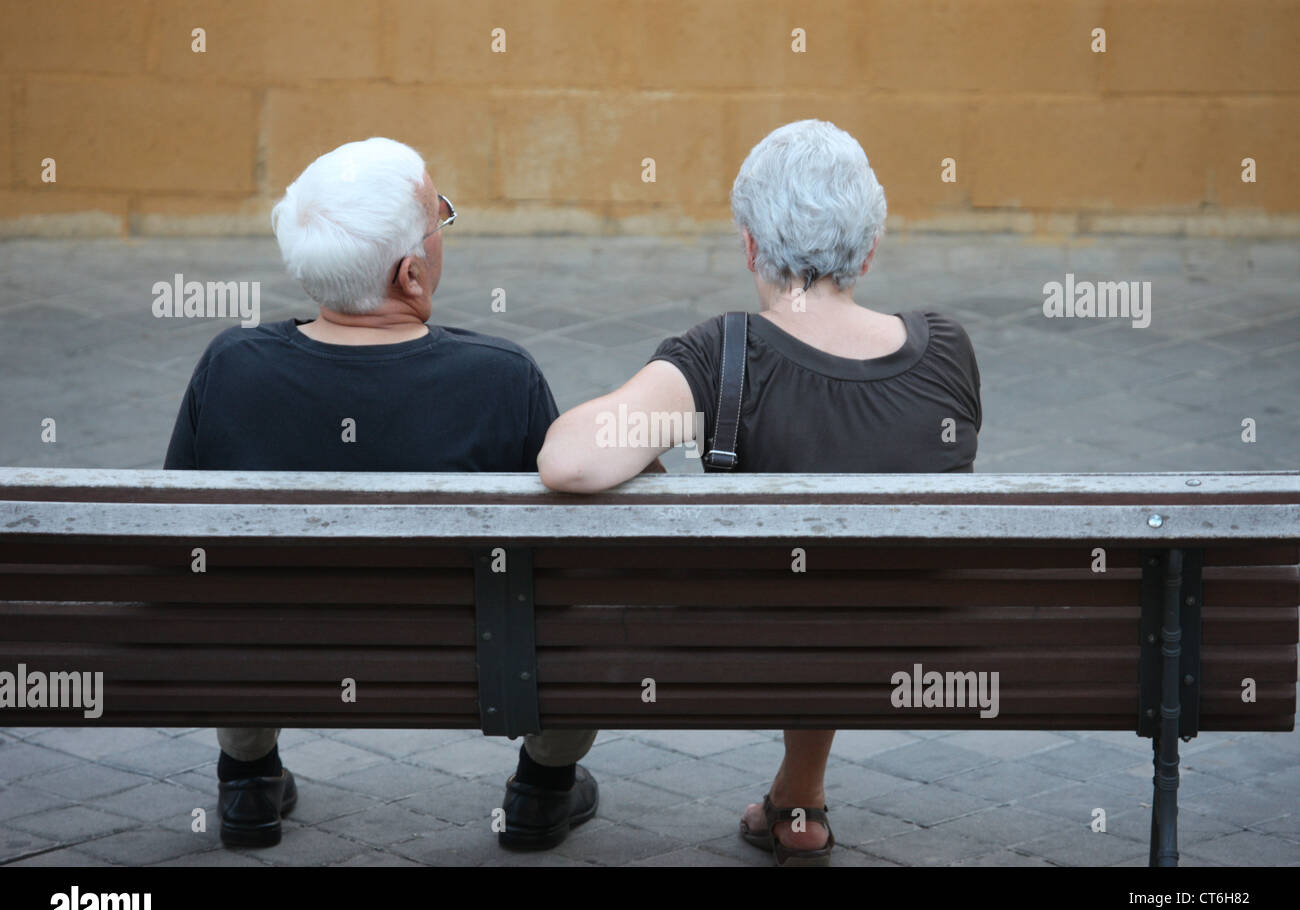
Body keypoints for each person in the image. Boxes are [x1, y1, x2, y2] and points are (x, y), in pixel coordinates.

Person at [535, 119, 982, 865]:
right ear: (868, 249)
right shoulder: (948, 348)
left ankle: (795, 792)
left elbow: (571, 463)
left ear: (750, 247)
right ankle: (799, 796)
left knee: (794, 582)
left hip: (748, 645)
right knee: (834, 579)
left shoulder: (723, 353)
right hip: (918, 644)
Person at [163, 137, 598, 851]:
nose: (442, 229)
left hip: (261, 650)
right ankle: (542, 788)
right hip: (477, 658)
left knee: (226, 591)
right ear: (411, 273)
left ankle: (247, 777)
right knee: (564, 611)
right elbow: (565, 566)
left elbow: (184, 543)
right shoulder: (501, 378)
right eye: (439, 217)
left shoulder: (229, 367)